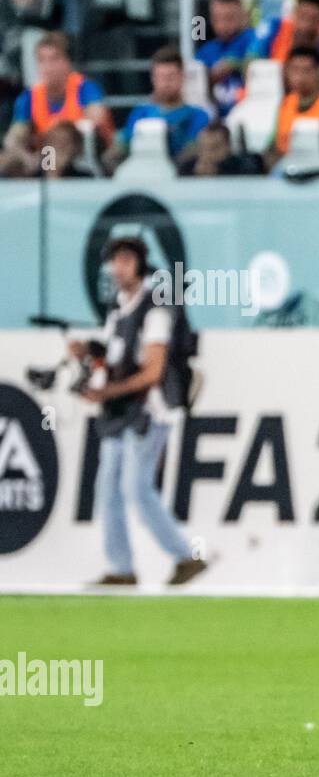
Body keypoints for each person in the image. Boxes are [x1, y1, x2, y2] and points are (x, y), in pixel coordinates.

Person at [71, 238, 208, 588]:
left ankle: (184, 555)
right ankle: (121, 567)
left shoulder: (155, 308)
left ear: (140, 264)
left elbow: (153, 371)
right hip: (119, 411)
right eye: (115, 260)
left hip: (149, 411)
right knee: (108, 489)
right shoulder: (119, 309)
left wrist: (106, 391)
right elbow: (115, 360)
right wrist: (88, 353)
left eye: (127, 260)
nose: (119, 267)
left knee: (136, 487)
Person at [1, 31, 113, 174]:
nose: (48, 67)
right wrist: (24, 155)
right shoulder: (29, 97)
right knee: (8, 161)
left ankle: (52, 188)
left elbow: (97, 118)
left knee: (58, 138)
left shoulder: (85, 88)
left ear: (68, 62)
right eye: (42, 60)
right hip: (43, 155)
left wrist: (62, 127)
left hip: (84, 150)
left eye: (54, 59)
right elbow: (15, 135)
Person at [108, 47, 210, 168]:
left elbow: (194, 151)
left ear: (182, 77)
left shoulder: (198, 115)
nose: (166, 83)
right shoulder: (140, 113)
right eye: (161, 77)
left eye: (171, 77)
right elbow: (122, 146)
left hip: (183, 178)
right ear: (153, 79)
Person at [266, 46, 319, 167]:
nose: (299, 77)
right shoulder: (285, 104)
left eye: (306, 70)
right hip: (287, 172)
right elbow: (272, 146)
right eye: (295, 70)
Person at [195, 0, 258, 116]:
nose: (222, 24)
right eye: (217, 18)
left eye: (229, 18)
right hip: (216, 119)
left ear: (243, 16)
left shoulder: (254, 40)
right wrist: (210, 77)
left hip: (250, 113)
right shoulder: (206, 51)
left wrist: (237, 64)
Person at [253, 0, 319, 67]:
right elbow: (252, 60)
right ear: (294, 14)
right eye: (303, 16)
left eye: (313, 18)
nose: (306, 25)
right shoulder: (275, 29)